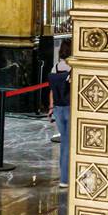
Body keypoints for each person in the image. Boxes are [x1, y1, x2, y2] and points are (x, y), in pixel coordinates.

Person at [48, 41, 72, 189]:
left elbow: (51, 90)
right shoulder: (73, 68)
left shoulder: (55, 67)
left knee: (64, 142)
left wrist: (51, 108)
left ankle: (64, 175)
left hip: (58, 109)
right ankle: (65, 178)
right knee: (67, 145)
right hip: (70, 109)